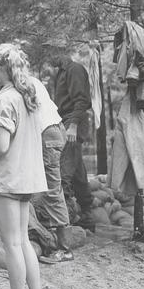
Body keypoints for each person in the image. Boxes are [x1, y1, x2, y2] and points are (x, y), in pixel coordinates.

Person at [0, 43, 47, 289]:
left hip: (8, 179)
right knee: (24, 241)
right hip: (27, 178)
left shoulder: (6, 98)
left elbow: (2, 145)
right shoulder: (27, 95)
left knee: (12, 244)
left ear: (0, 68)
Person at [27, 73, 74, 264]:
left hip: (48, 134)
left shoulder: (23, 84)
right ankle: (51, 237)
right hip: (54, 130)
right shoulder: (32, 80)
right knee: (45, 190)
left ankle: (65, 249)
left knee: (52, 191)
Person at [48, 50, 94, 229]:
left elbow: (82, 100)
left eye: (49, 53)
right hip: (65, 122)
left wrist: (73, 125)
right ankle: (88, 216)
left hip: (73, 123)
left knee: (63, 172)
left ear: (59, 51)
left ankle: (64, 220)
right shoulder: (61, 73)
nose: (48, 59)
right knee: (77, 172)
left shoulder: (74, 69)